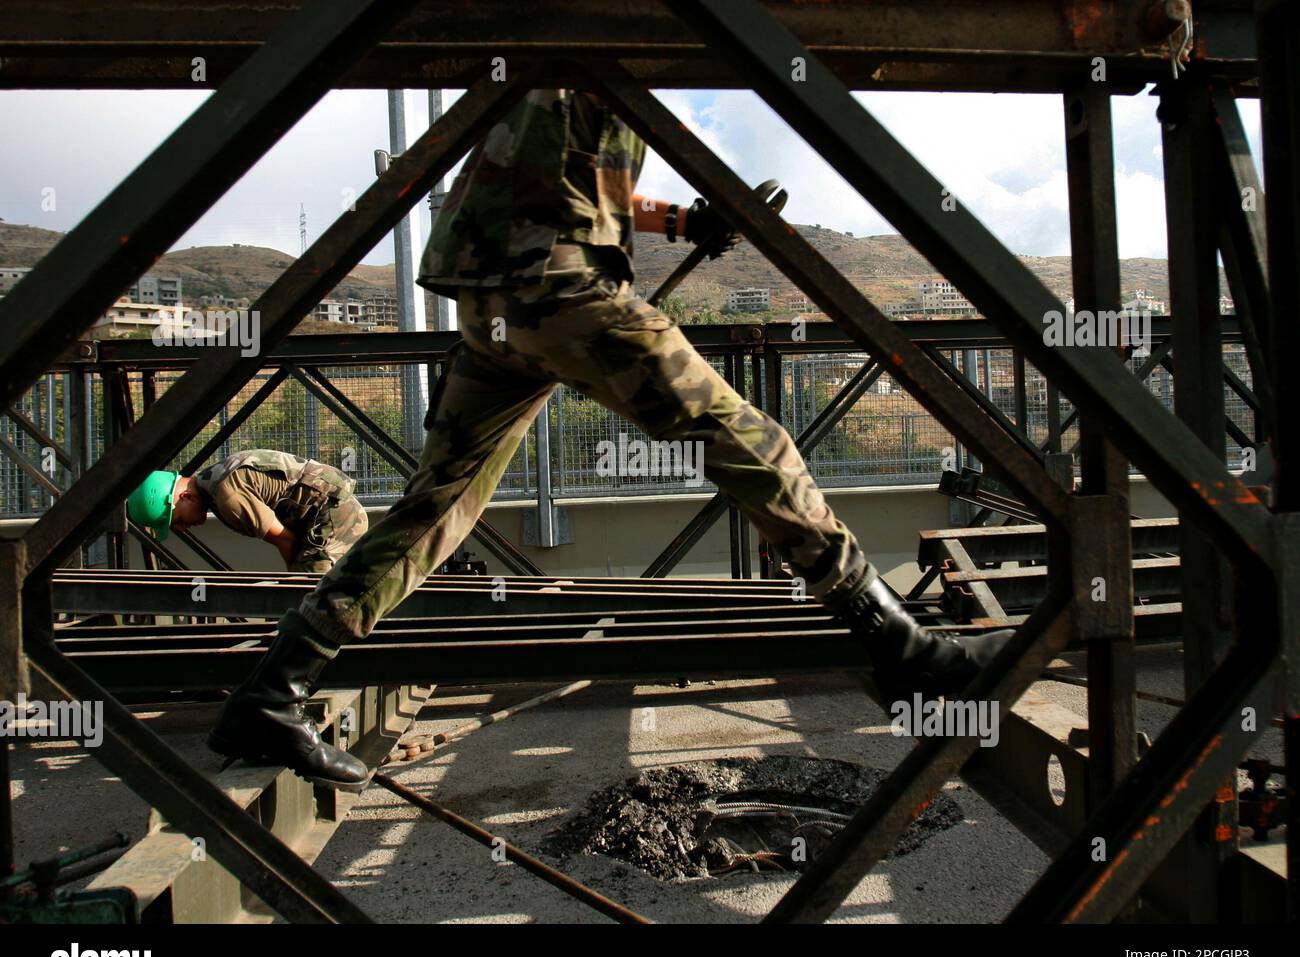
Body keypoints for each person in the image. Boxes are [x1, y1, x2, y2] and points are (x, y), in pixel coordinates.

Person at [205, 89, 1013, 792]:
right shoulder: (593, 47)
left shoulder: (537, 87)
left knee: (433, 514)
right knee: (748, 442)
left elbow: (593, 194)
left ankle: (273, 691)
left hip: (488, 307)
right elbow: (577, 199)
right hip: (558, 286)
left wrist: (687, 219)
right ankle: (902, 648)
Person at [126, 449, 368, 574]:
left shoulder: (226, 496)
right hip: (323, 515)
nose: (182, 528)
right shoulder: (213, 481)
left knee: (314, 596)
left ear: (185, 497)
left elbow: (286, 541)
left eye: (176, 519)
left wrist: (295, 579)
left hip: (334, 516)